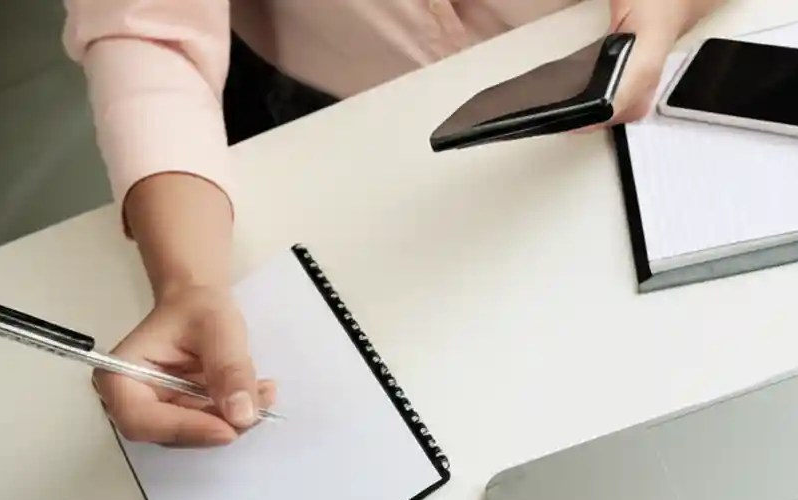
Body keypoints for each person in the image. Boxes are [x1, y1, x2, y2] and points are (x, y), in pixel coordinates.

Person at [64, 0, 723, 448]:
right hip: (349, 125)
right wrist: (188, 282)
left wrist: (651, 26)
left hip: (619, 61)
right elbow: (145, 30)